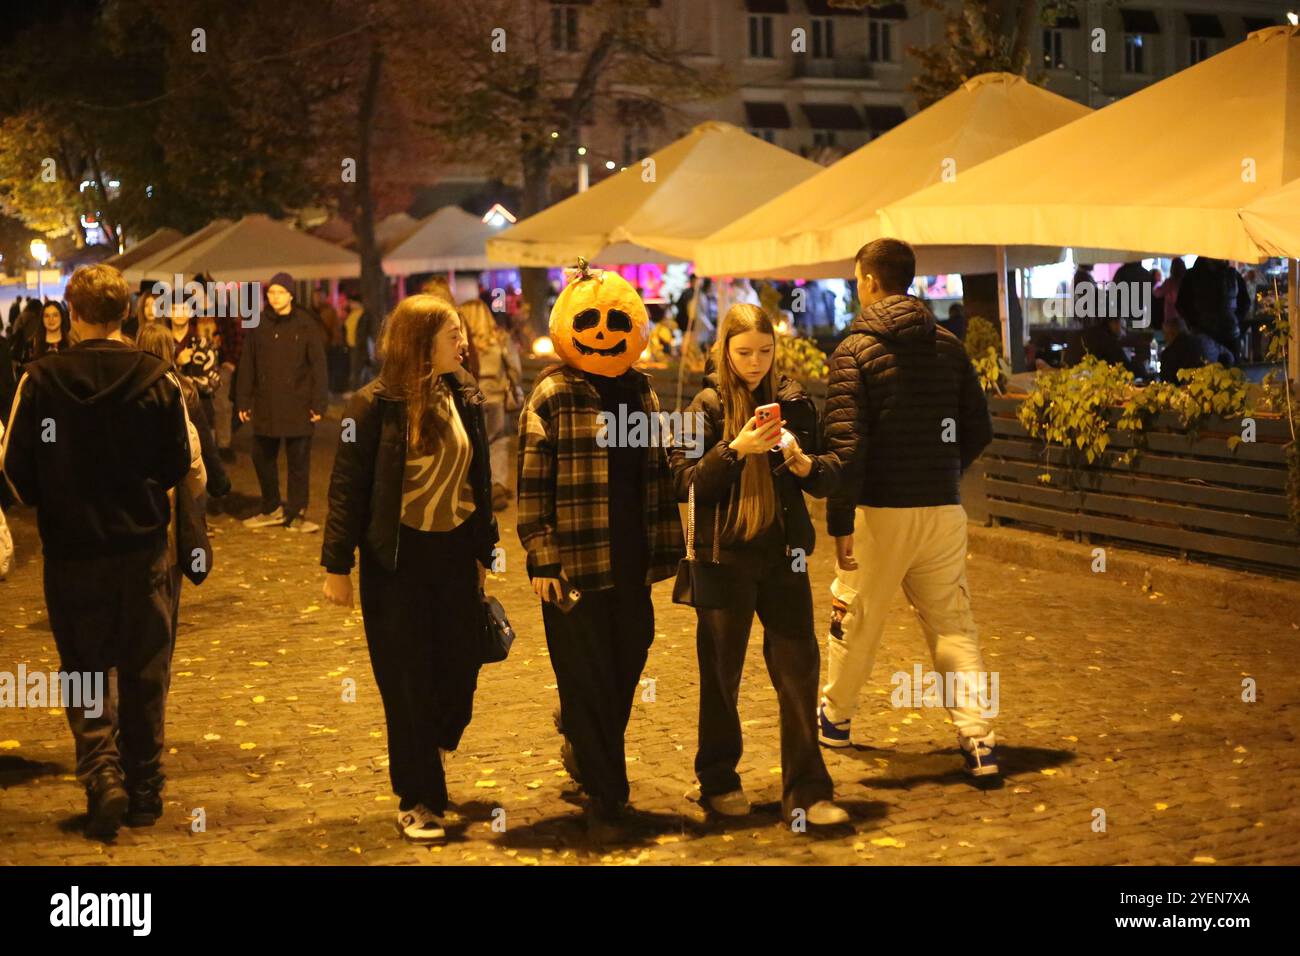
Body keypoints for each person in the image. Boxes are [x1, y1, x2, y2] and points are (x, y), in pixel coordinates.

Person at [0, 263, 202, 838]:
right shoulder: (157, 378)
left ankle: (102, 772)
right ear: (126, 313)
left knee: (84, 668)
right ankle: (143, 786)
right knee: (145, 669)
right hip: (141, 548)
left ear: (74, 311)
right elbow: (177, 461)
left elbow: (14, 469)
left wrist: (55, 500)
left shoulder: (40, 380)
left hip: (73, 550)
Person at [814, 239, 1000, 782]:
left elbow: (848, 449)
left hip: (881, 509)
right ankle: (978, 737)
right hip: (942, 508)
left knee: (857, 617)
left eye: (856, 281)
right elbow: (979, 428)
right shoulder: (949, 345)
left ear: (869, 281)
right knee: (953, 625)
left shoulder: (853, 351)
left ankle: (836, 717)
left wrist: (840, 522)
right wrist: (942, 470)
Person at [320, 295, 499, 844]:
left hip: (452, 553)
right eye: (452, 334)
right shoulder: (371, 406)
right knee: (406, 681)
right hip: (395, 560)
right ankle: (418, 798)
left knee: (461, 665)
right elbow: (347, 487)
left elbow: (481, 480)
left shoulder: (463, 394)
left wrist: (485, 551)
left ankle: (437, 738)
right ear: (420, 341)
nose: (462, 342)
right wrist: (337, 566)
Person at [517, 262, 684, 838]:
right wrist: (541, 555)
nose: (605, 330)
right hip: (577, 564)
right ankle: (608, 799)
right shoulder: (554, 393)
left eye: (617, 321)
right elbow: (531, 483)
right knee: (588, 673)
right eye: (590, 320)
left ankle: (585, 742)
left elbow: (660, 465)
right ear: (570, 325)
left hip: (633, 558)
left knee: (629, 656)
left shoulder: (641, 388)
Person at [669, 303, 849, 828]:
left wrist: (802, 461)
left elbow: (829, 474)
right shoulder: (704, 406)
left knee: (798, 670)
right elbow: (683, 482)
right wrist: (734, 449)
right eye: (744, 352)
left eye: (764, 352)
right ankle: (719, 779)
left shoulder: (791, 401)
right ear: (724, 349)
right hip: (726, 557)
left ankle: (808, 789)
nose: (755, 362)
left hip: (784, 554)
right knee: (721, 674)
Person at [135, 323, 224, 642]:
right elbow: (195, 449)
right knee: (171, 567)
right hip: (174, 494)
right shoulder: (180, 387)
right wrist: (202, 487)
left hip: (136, 503)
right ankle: (162, 629)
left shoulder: (129, 388)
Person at [236, 272, 328, 532]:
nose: (274, 297)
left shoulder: (306, 324)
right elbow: (247, 365)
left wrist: (318, 402)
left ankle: (297, 511)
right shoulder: (258, 324)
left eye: (280, 292)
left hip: (299, 403)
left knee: (299, 462)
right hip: (266, 403)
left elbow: (318, 366)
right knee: (262, 457)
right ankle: (271, 506)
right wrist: (243, 400)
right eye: (271, 292)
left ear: (290, 295)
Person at [459, 297, 521, 511]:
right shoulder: (500, 338)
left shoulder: (460, 342)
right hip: (495, 398)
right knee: (498, 442)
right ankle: (497, 485)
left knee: (473, 444)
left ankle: (478, 487)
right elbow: (515, 369)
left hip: (469, 399)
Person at [1177, 257, 1248, 364]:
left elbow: (1245, 302)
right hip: (1212, 333)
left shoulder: (1232, 275)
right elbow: (1182, 304)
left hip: (1222, 333)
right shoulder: (1193, 275)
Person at [14, 300, 72, 366]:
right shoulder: (33, 342)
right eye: (47, 316)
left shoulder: (70, 340)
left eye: (55, 315)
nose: (51, 319)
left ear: (61, 318)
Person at [1159, 314, 1206, 384]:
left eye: (1165, 334)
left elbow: (1166, 381)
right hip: (1200, 386)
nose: (1165, 338)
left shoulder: (1168, 354)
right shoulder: (1198, 343)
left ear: (1172, 334)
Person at [1154, 257, 1186, 325]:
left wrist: (1157, 282)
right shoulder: (1186, 281)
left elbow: (1157, 293)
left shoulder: (1169, 282)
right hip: (1184, 315)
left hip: (1171, 316)